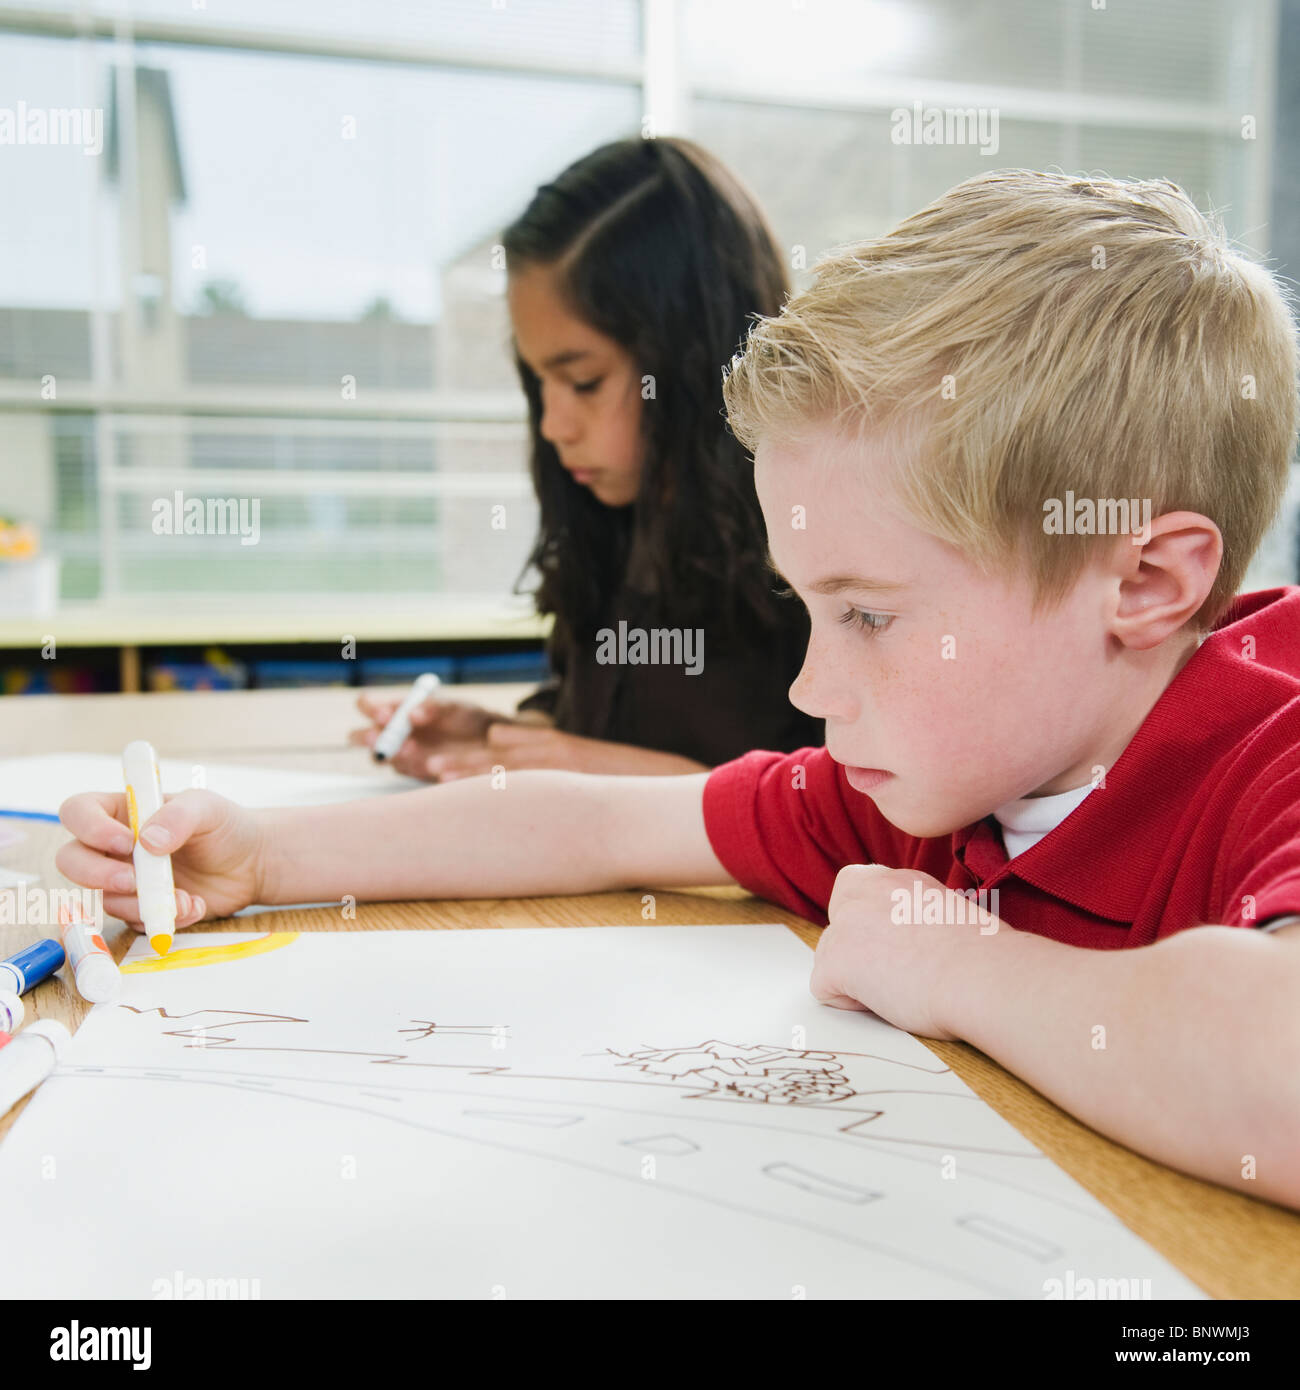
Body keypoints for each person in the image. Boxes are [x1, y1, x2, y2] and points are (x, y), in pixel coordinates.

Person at [59, 171, 1300, 1208]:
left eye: (867, 614)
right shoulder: (938, 786)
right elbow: (591, 821)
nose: (815, 683)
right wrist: (268, 853)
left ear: (1143, 579)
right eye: (812, 610)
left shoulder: (1271, 751)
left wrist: (963, 967)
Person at [351, 136, 822, 779]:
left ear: (689, 358)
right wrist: (505, 735)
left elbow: (838, 806)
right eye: (537, 382)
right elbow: (602, 721)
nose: (551, 426)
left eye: (584, 383)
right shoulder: (614, 516)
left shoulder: (813, 543)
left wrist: (597, 772)